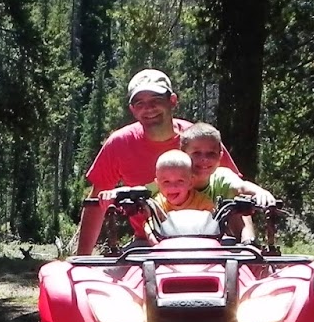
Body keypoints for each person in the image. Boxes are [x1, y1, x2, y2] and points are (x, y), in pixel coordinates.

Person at [76, 68, 240, 254]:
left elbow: (234, 191)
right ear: (132, 109)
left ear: (172, 101)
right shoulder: (119, 143)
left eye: (156, 100)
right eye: (140, 103)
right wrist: (82, 259)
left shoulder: (200, 140)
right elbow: (96, 203)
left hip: (210, 241)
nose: (148, 108)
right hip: (147, 243)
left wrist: (248, 244)